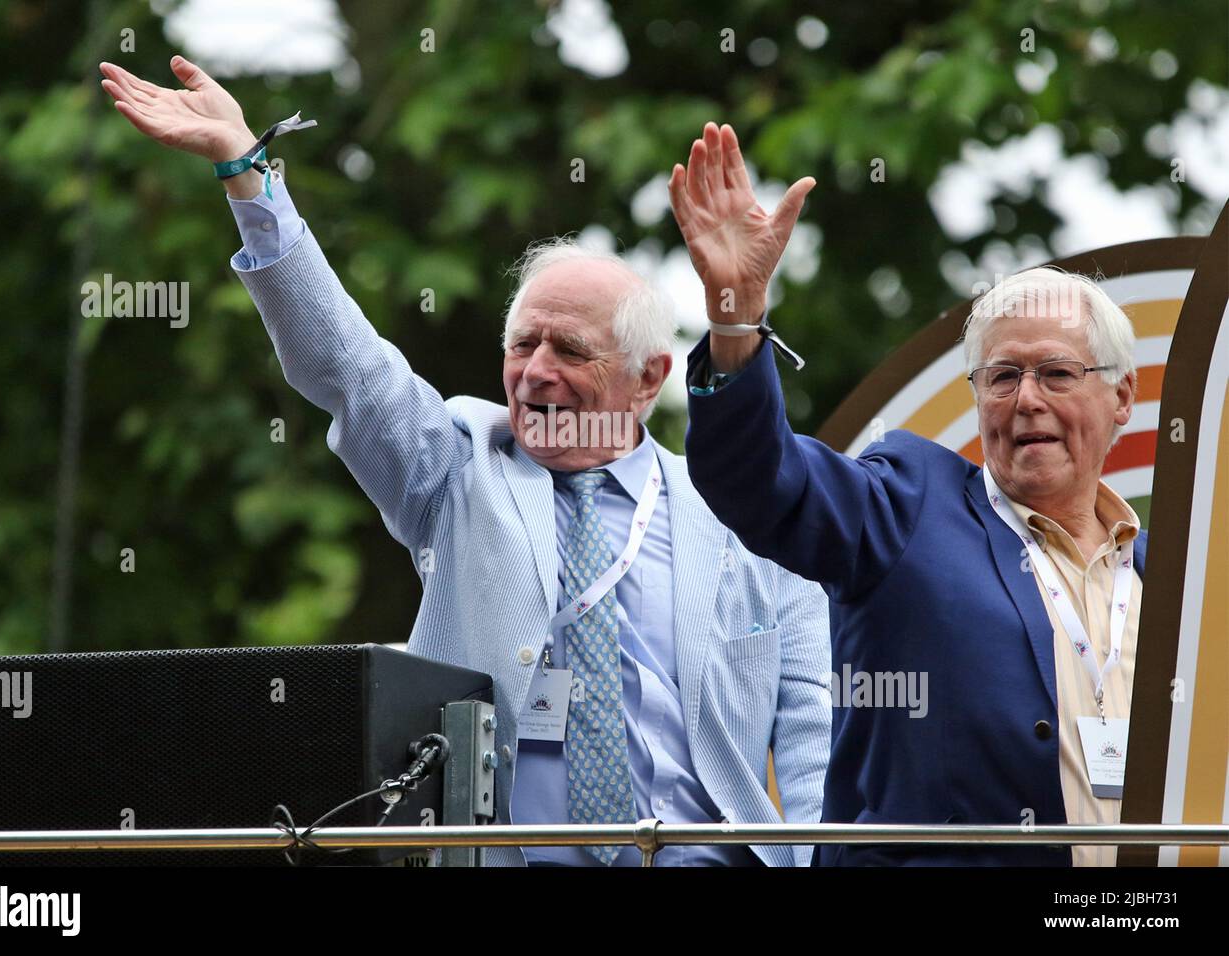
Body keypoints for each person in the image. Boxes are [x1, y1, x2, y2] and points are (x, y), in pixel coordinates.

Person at [99, 57, 831, 866]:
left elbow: (812, 725)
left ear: (649, 378)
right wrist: (247, 172)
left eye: (570, 350)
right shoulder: (458, 468)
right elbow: (343, 363)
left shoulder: (748, 510)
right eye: (523, 344)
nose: (536, 371)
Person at [670, 121, 1148, 866]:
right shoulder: (908, 506)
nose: (1026, 400)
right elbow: (758, 480)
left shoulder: (1175, 576)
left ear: (1122, 396)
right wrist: (736, 318)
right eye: (1001, 378)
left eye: (1056, 374)